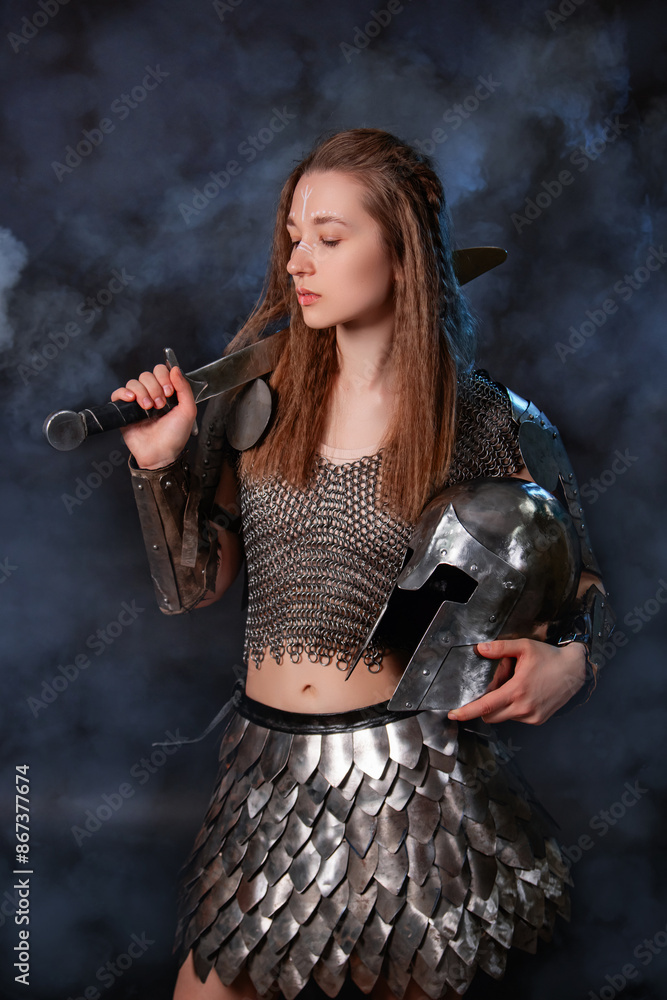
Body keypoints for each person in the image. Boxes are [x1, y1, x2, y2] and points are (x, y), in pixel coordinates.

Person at [110, 129, 609, 1000]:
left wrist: (571, 657)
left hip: (407, 789)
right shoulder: (260, 408)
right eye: (294, 237)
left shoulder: (487, 419)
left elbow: (581, 584)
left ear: (402, 252)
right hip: (266, 776)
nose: (301, 259)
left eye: (331, 238)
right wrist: (160, 466)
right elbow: (196, 585)